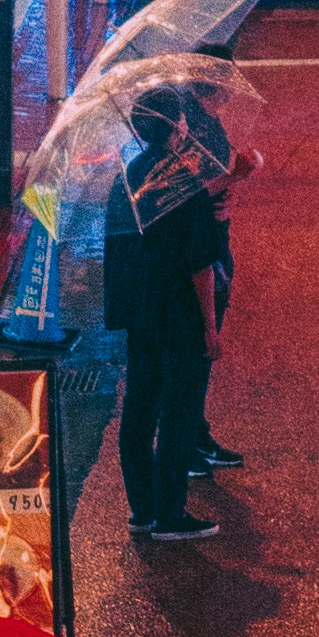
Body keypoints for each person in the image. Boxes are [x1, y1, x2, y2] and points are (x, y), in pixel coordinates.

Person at [114, 159, 225, 545]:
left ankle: (143, 509)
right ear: (176, 131)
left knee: (139, 407)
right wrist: (209, 327)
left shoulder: (129, 177)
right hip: (179, 315)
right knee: (179, 412)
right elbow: (201, 265)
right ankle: (170, 514)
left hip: (141, 312)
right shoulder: (182, 181)